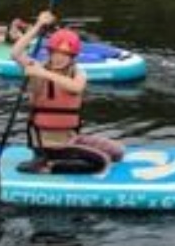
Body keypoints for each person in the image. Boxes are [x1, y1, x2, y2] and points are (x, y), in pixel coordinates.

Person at [10, 11, 125, 174]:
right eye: (56, 53)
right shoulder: (37, 69)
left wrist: (43, 73)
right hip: (46, 145)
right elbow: (15, 53)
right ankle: (49, 167)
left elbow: (76, 87)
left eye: (65, 55)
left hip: (71, 139)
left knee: (117, 152)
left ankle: (66, 157)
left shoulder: (77, 73)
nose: (59, 58)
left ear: (73, 57)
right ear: (50, 52)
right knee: (102, 162)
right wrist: (39, 25)